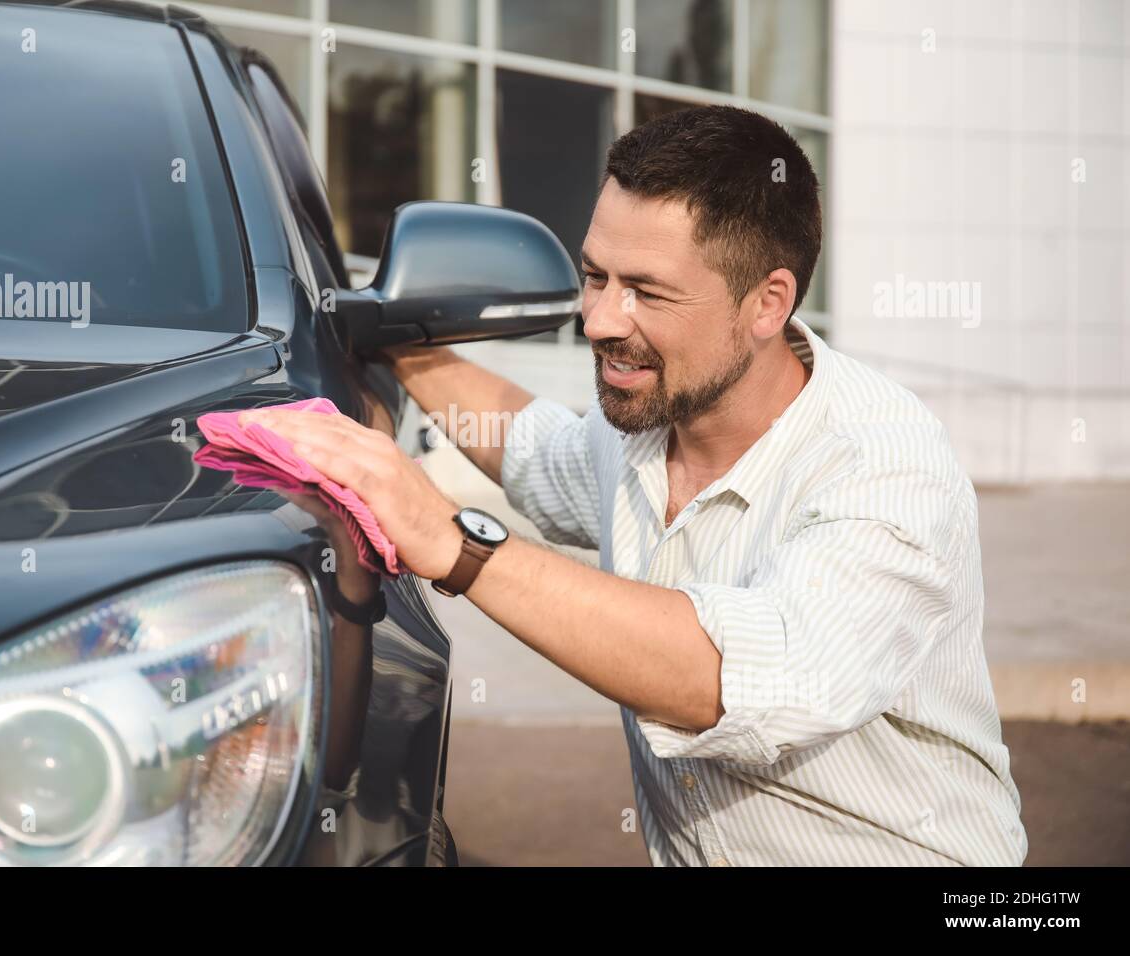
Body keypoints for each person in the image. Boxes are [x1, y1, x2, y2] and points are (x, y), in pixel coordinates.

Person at [241, 105, 1027, 867]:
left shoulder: (884, 467)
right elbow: (532, 446)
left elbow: (722, 681)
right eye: (595, 277)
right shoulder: (650, 426)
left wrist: (452, 539)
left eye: (646, 292)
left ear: (768, 303)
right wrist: (393, 337)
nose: (598, 320)